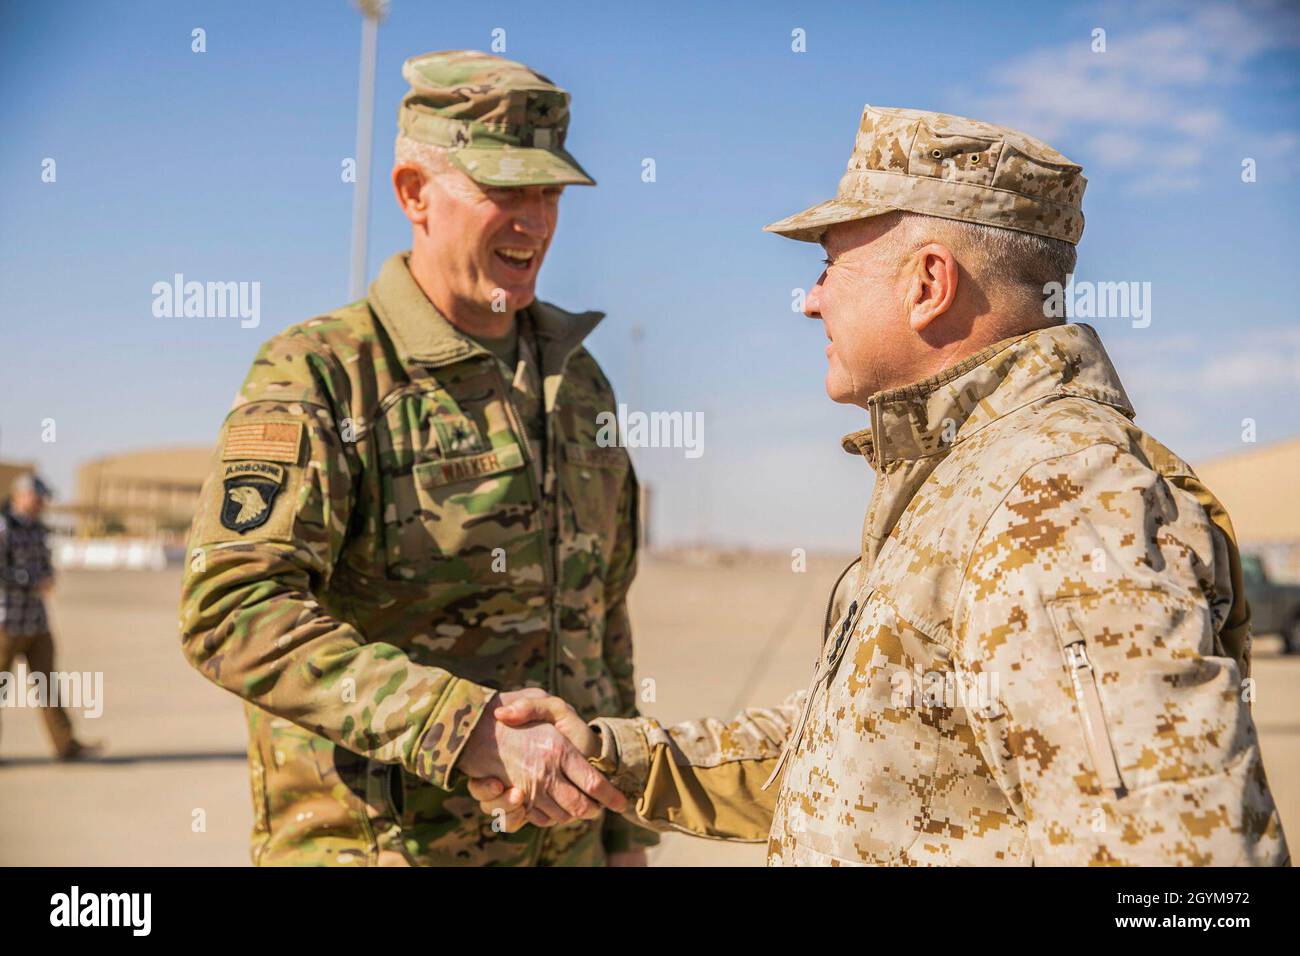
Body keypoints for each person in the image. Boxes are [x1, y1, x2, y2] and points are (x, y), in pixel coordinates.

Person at [467, 106, 1290, 866]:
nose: (810, 301)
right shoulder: (966, 477)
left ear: (927, 285)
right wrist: (610, 757)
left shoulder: (1061, 498)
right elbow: (857, 759)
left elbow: (1189, 885)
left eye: (831, 268)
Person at [178, 50, 655, 866]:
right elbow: (232, 609)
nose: (534, 220)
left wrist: (622, 833)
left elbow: (602, 625)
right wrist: (461, 728)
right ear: (413, 194)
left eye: (548, 192)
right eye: (502, 189)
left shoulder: (578, 383)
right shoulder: (321, 373)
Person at [0, 473, 100, 761]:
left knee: (48, 687)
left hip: (37, 623)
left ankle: (66, 745)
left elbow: (44, 567)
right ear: (21, 495)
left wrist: (46, 577)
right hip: (7, 623)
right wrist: (31, 581)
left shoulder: (38, 529)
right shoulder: (4, 528)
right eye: (38, 497)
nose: (42, 502)